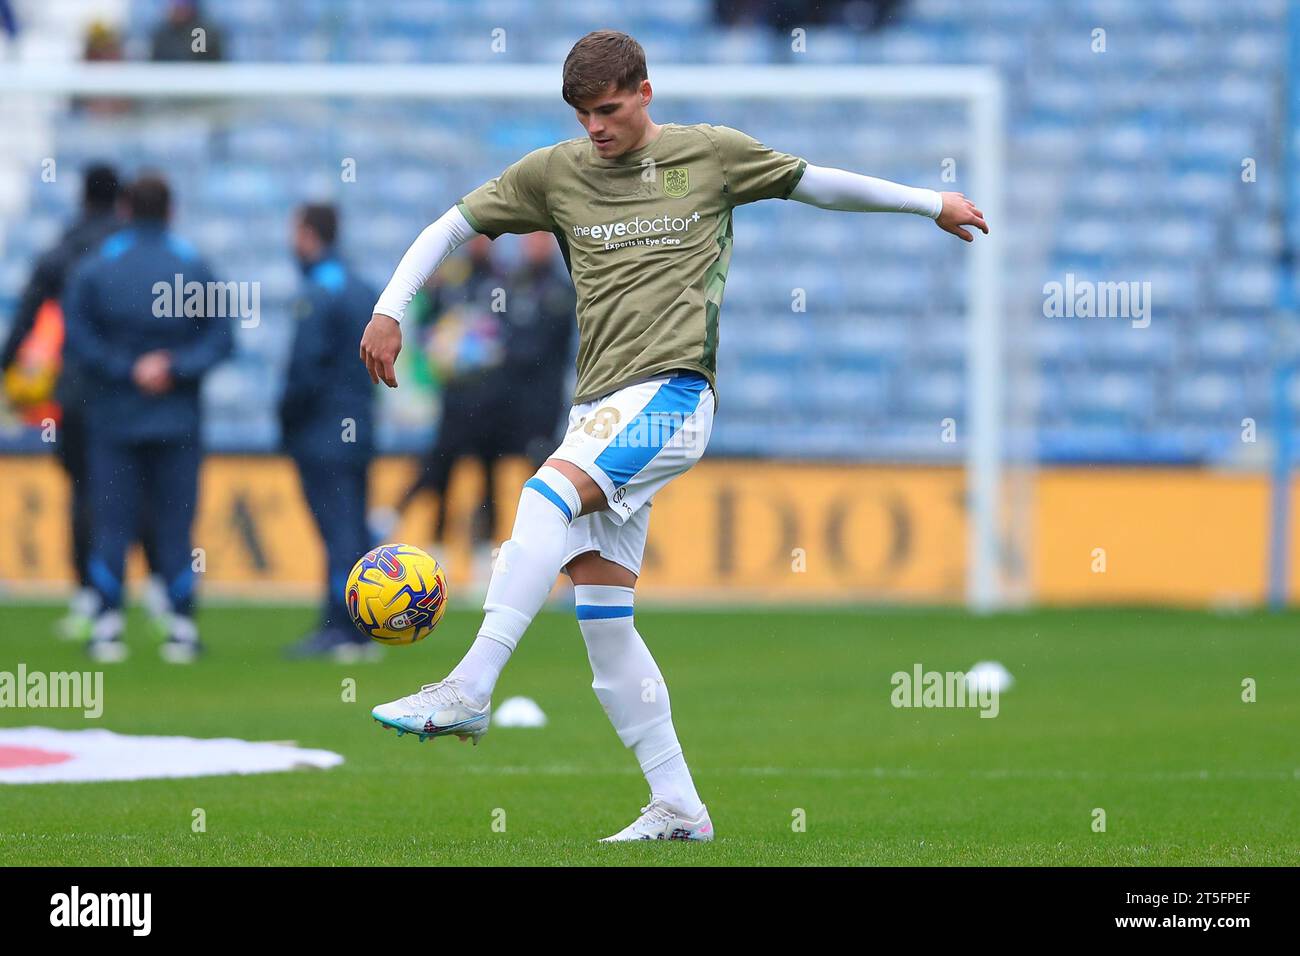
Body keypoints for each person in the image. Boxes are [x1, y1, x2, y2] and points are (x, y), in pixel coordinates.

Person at [358, 29, 987, 841]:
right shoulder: (554, 173)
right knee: (604, 621)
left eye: (610, 110)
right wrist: (390, 306)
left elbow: (814, 183)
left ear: (646, 92)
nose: (597, 128)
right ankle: (680, 807)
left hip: (673, 397)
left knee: (544, 493)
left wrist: (930, 202)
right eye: (584, 114)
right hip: (598, 410)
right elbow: (449, 226)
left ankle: (471, 686)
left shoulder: (710, 157)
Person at [62, 173, 233, 663]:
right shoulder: (192, 264)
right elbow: (222, 339)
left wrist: (126, 368)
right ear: (171, 209)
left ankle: (107, 626)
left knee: (111, 521)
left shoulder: (98, 267)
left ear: (125, 210)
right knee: (176, 524)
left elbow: (78, 338)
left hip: (114, 417)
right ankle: (180, 627)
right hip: (177, 419)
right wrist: (175, 367)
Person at [2, 164, 121, 640]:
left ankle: (89, 592)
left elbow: (28, 312)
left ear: (82, 196)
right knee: (143, 491)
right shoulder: (128, 247)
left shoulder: (63, 248)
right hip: (128, 393)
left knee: (85, 490)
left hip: (77, 390)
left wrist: (7, 362)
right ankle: (160, 589)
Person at [280, 204, 379, 661]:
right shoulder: (363, 289)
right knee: (353, 528)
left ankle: (342, 628)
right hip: (359, 425)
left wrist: (286, 418)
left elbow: (304, 369)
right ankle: (362, 625)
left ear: (308, 234)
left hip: (321, 429)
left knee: (338, 532)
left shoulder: (319, 291)